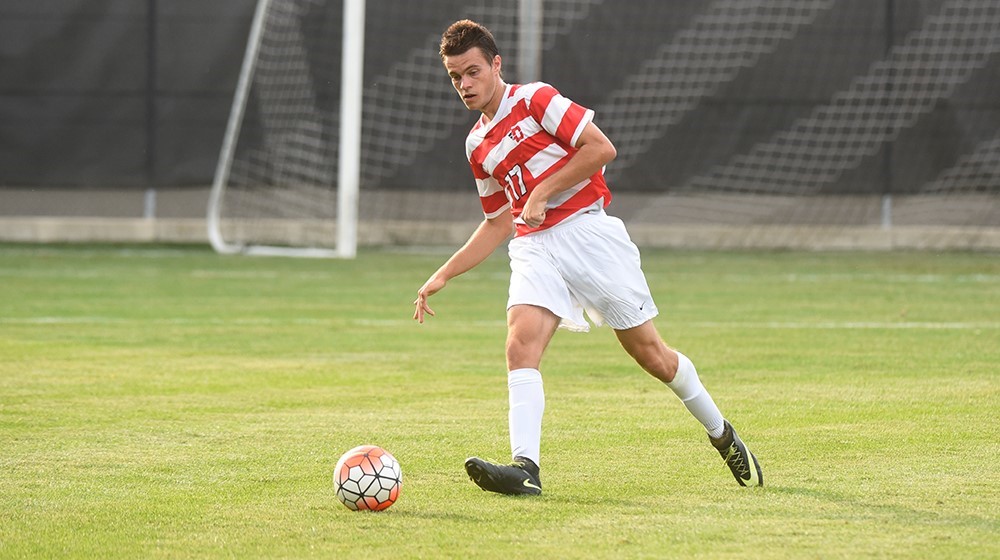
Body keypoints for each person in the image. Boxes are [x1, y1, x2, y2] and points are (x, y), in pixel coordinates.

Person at [413, 19, 762, 495]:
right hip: (534, 247)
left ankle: (721, 432)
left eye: (473, 72)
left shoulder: (535, 98)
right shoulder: (477, 144)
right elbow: (498, 221)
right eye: (455, 77)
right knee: (520, 345)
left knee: (653, 357)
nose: (465, 85)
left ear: (496, 64)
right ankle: (526, 469)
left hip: (588, 234)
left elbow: (601, 148)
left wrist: (542, 191)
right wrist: (444, 274)